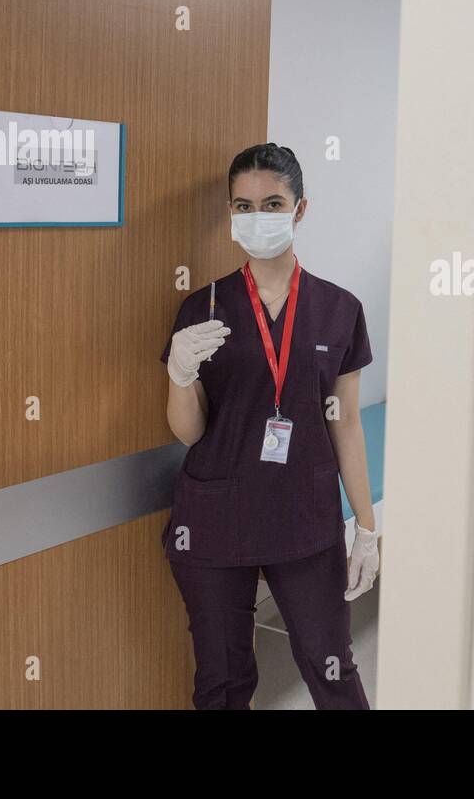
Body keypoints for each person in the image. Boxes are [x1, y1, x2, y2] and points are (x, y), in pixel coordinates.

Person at [159, 142, 379, 710]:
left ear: (300, 209)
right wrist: (180, 374)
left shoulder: (339, 308)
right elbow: (189, 432)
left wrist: (367, 528)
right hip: (214, 515)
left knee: (331, 669)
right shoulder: (202, 307)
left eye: (272, 202)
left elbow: (346, 423)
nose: (257, 217)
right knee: (222, 682)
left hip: (303, 517)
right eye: (244, 205)